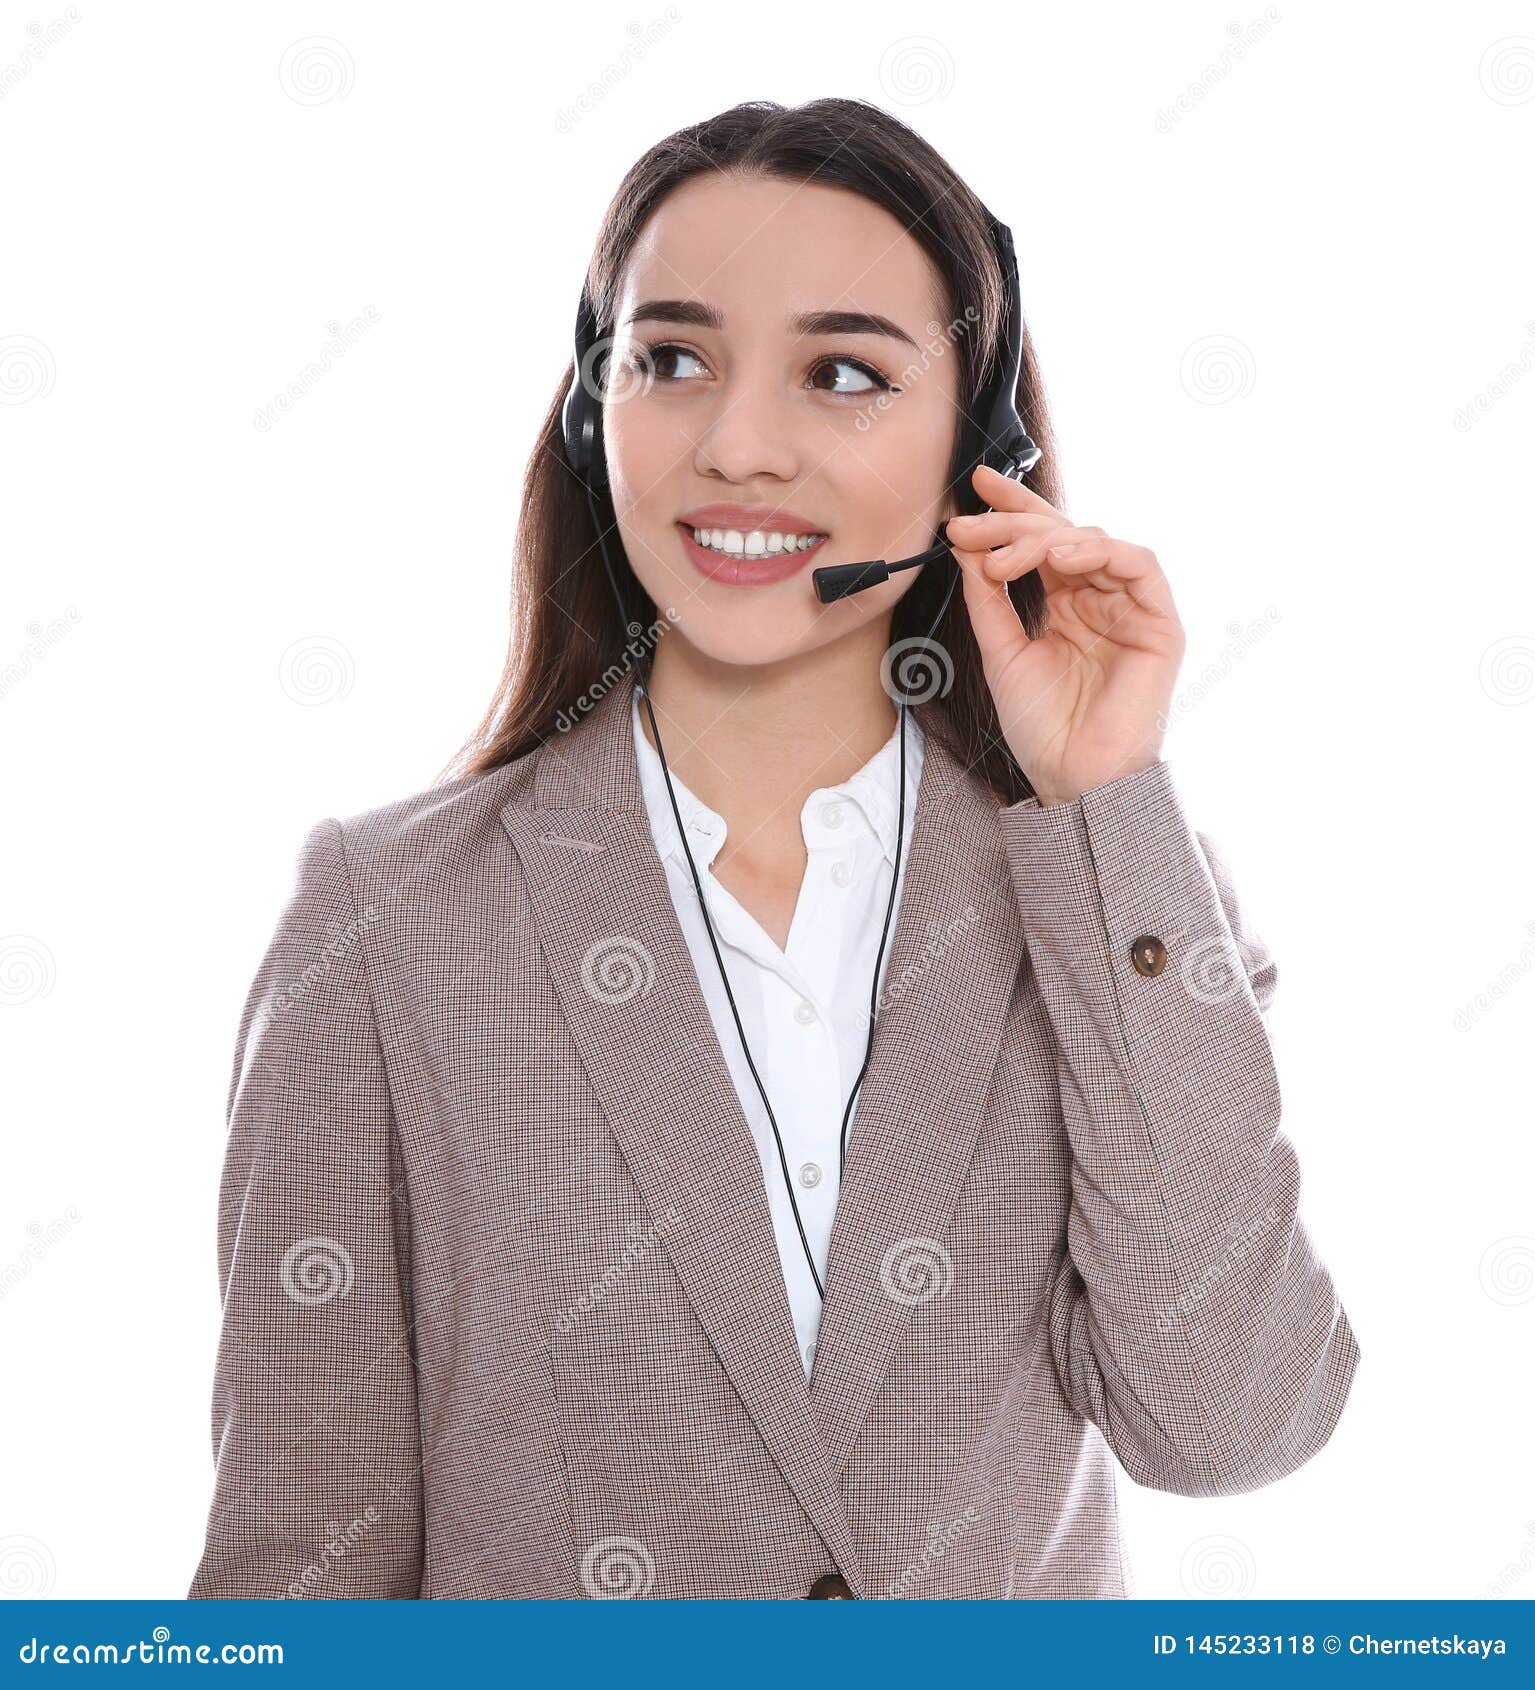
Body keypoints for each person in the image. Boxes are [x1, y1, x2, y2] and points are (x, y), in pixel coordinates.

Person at [188, 97, 1358, 1602]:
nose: (739, 444)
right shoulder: (389, 918)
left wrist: (1102, 797)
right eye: (671, 359)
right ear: (589, 409)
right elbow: (295, 1584)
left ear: (977, 447)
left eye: (845, 373)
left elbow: (1229, 1421)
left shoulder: (1110, 887)